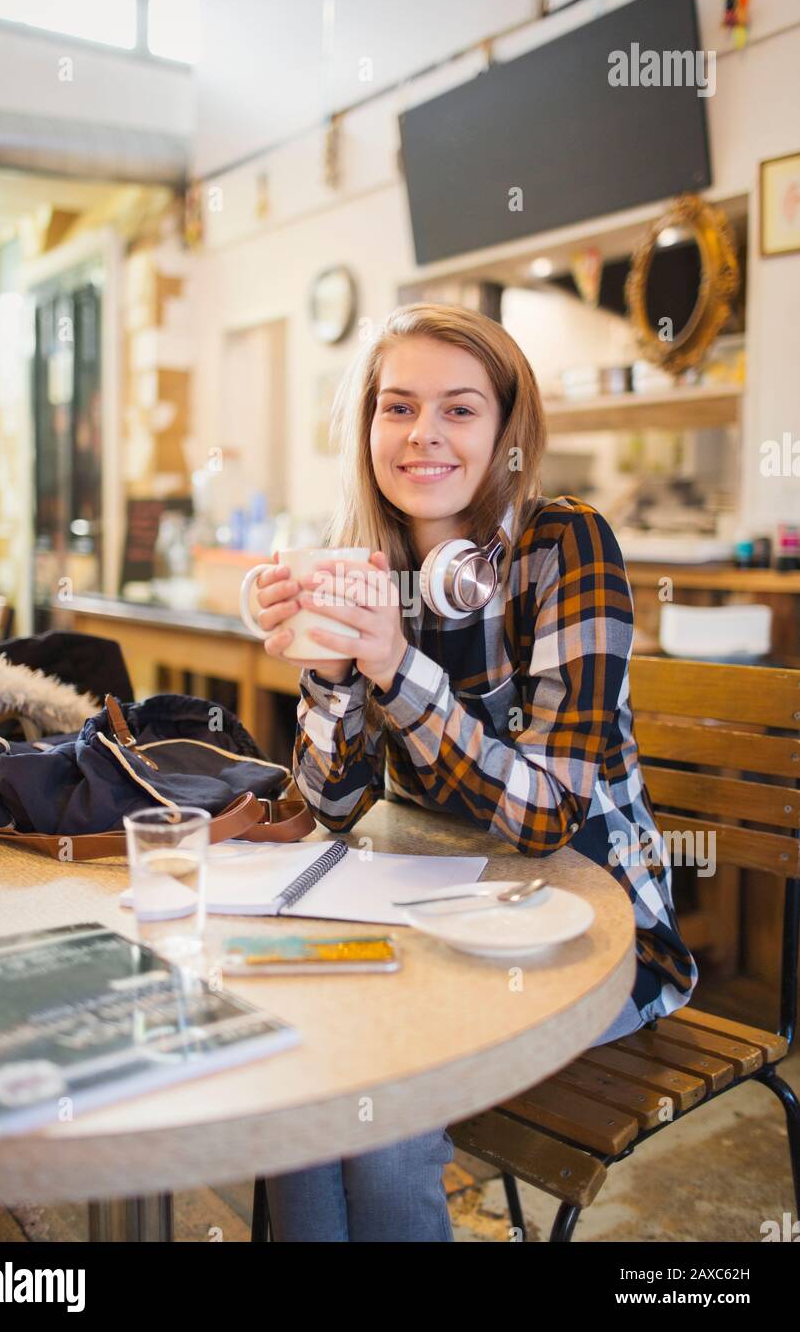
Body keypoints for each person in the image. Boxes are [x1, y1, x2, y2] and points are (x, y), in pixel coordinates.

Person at [253, 302, 698, 1241]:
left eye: (459, 409)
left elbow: (544, 819)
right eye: (398, 407)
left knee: (386, 1104)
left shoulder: (566, 547)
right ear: (367, 424)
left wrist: (394, 667)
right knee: (292, 1067)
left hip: (596, 938)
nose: (423, 435)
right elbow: (332, 806)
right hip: (432, 920)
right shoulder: (370, 562)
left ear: (505, 432)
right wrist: (331, 669)